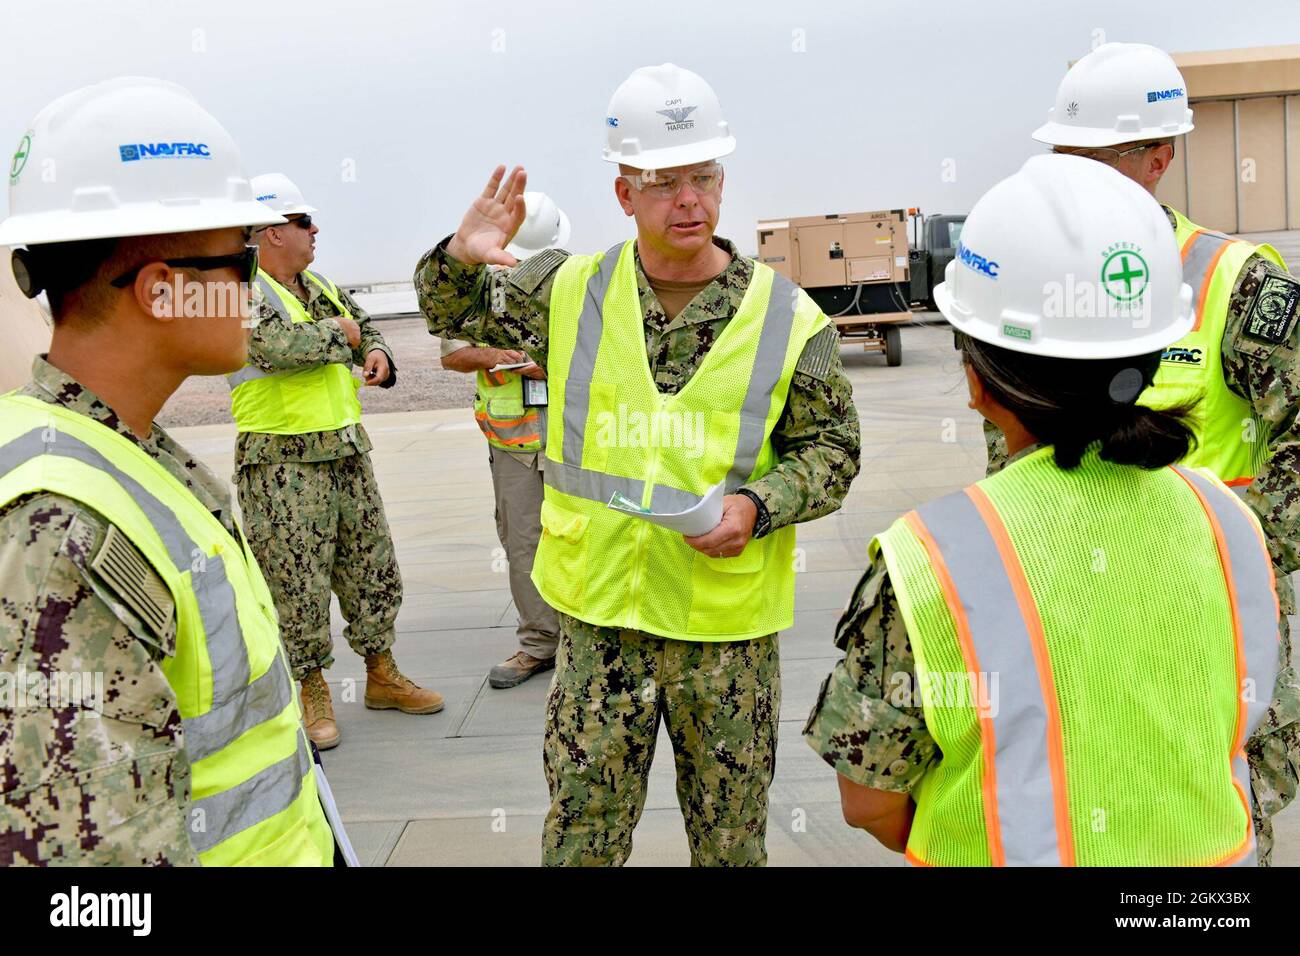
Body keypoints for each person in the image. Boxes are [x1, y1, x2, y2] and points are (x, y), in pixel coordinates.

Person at [417, 63, 860, 865]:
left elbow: (831, 451)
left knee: (730, 846)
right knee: (582, 835)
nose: (687, 200)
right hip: (598, 627)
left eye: (703, 177)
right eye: (662, 183)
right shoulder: (568, 287)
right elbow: (447, 314)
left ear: (722, 183)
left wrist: (758, 507)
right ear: (624, 195)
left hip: (724, 635)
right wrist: (461, 253)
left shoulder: (791, 317)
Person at [806, 153, 1298, 865]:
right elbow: (1269, 748)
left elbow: (871, 799)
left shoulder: (933, 558)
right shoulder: (1233, 528)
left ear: (977, 381)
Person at [0, 78, 334, 865]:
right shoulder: (58, 529)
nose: (256, 287)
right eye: (240, 261)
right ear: (164, 290)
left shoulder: (121, 447)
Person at [231, 172, 441, 752]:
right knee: (296, 579)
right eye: (303, 222)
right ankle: (312, 690)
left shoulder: (318, 284)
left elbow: (365, 326)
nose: (314, 229)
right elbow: (273, 348)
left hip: (346, 450)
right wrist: (341, 333)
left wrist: (374, 348)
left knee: (371, 564)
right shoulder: (237, 290)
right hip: (280, 461)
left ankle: (382, 673)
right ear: (272, 232)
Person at [439, 191, 568, 689]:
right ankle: (540, 644)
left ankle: (593, 641)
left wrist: (552, 363)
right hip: (513, 444)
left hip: (572, 439)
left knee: (591, 536)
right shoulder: (477, 293)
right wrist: (504, 355)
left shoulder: (576, 281)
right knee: (524, 546)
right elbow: (452, 355)